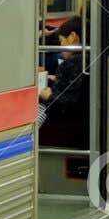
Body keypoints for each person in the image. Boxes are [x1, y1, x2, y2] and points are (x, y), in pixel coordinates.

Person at [38, 15, 87, 146]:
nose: (61, 46)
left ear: (72, 36)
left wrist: (48, 96)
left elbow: (64, 107)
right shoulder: (88, 58)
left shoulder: (70, 63)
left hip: (64, 130)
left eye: (62, 41)